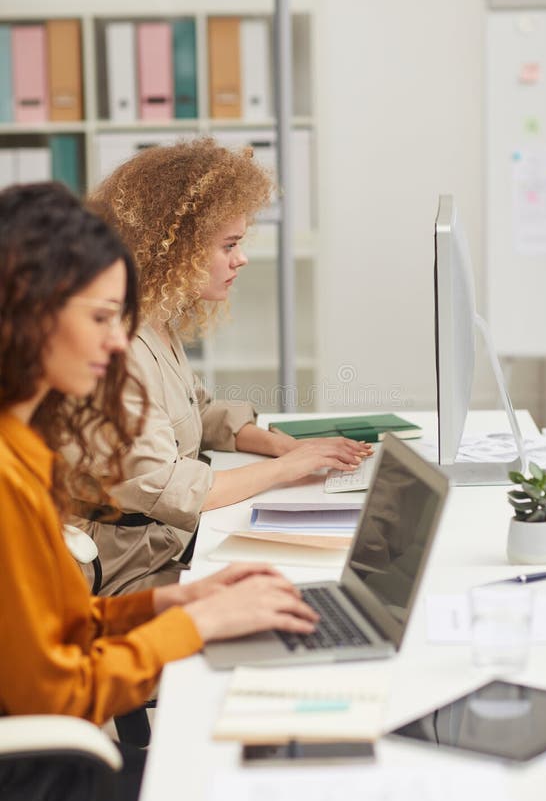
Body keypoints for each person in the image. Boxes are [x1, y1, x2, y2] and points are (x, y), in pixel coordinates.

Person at [0, 182, 319, 801]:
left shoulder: (22, 450)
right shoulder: (7, 479)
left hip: (51, 755)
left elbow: (46, 631)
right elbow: (56, 694)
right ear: (30, 312)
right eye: (100, 318)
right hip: (41, 787)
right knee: (270, 785)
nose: (119, 344)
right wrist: (194, 630)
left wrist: (166, 606)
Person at [82, 138, 371, 595]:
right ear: (171, 248)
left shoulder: (152, 320)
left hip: (166, 547)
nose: (241, 258)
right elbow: (172, 488)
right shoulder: (117, 351)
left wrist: (284, 446)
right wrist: (287, 469)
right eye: (228, 245)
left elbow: (202, 411)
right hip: (127, 571)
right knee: (288, 586)